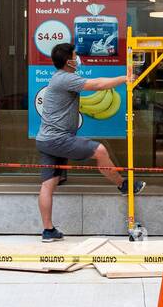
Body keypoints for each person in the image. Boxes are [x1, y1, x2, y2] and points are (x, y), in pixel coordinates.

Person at [35, 42, 142, 242]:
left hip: (46, 139)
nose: (78, 59)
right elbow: (98, 85)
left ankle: (48, 231)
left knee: (48, 184)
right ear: (69, 62)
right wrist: (124, 78)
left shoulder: (59, 78)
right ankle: (123, 186)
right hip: (58, 139)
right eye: (75, 56)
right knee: (100, 150)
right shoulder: (65, 78)